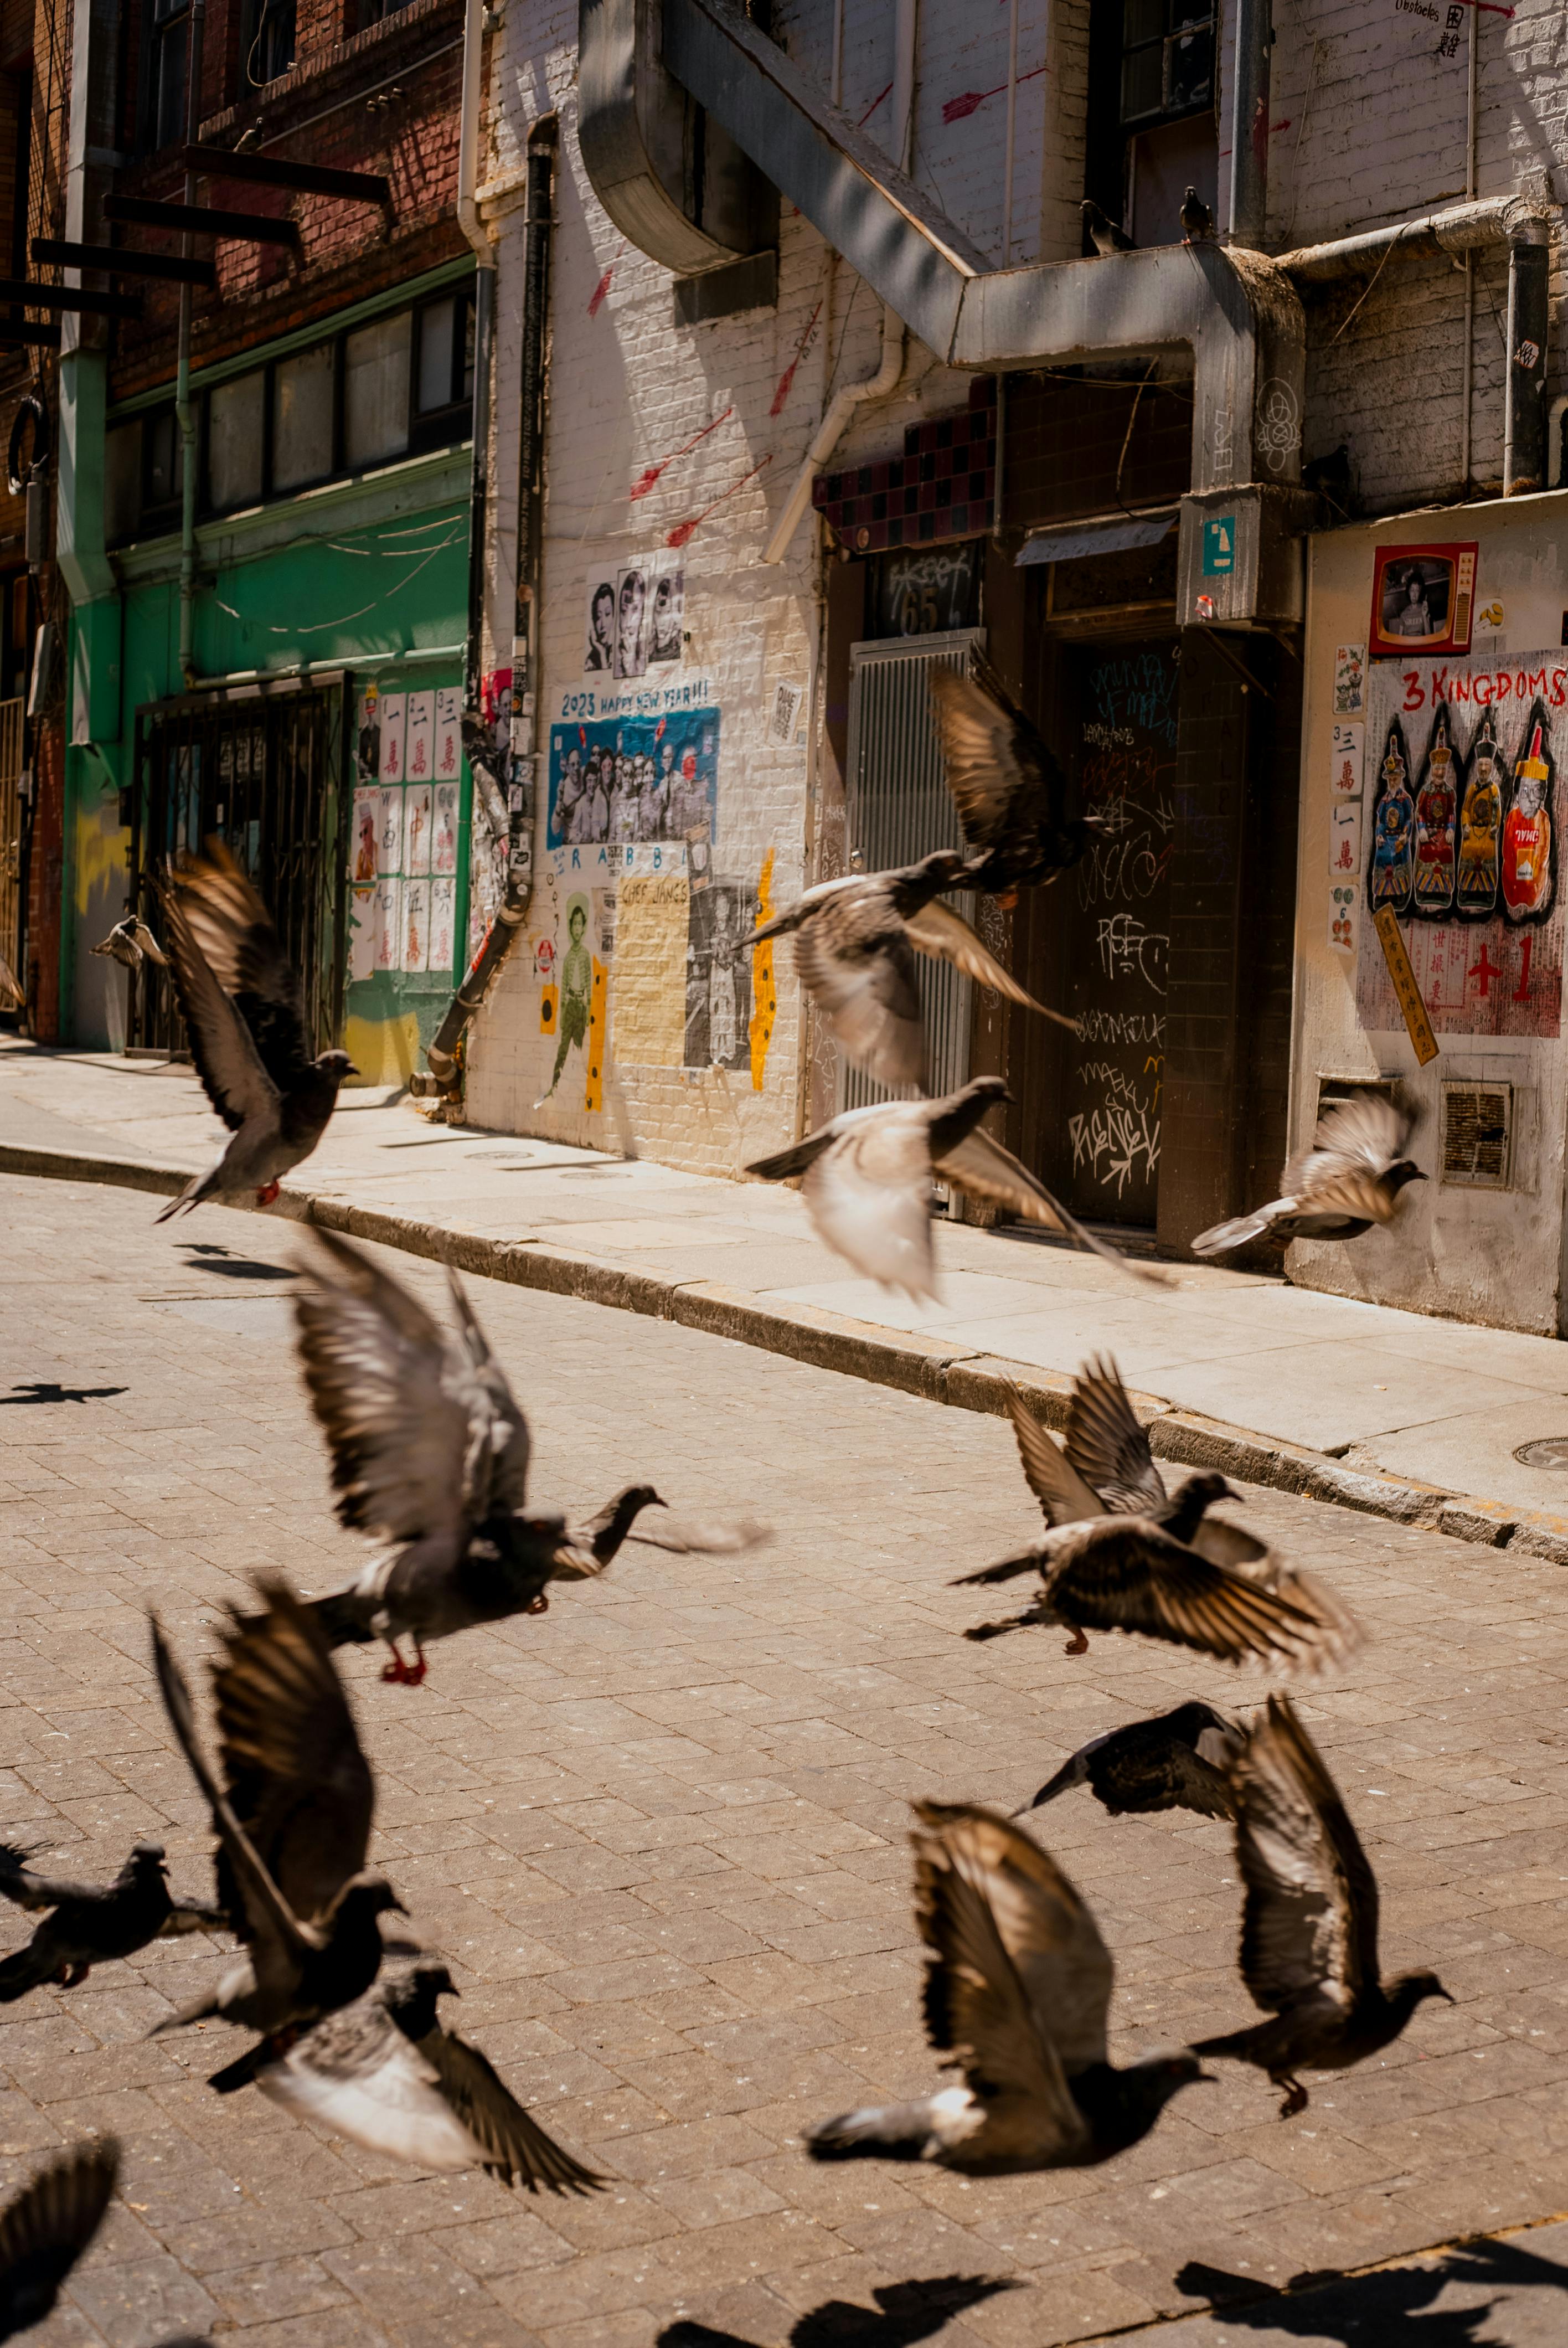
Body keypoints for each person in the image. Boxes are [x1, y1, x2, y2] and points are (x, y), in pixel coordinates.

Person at [540, 899, 591, 1099]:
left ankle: (583, 1087)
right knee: (563, 1048)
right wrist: (562, 1013)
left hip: (581, 1006)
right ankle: (554, 1084)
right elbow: (563, 989)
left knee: (581, 1047)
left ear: (584, 926)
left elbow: (589, 986)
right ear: (570, 927)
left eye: (580, 924)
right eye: (574, 924)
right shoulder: (569, 957)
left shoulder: (586, 956)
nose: (577, 928)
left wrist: (587, 1011)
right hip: (570, 1006)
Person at [708, 893, 739, 1065]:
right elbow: (710, 952)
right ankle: (717, 1048)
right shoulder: (713, 930)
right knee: (716, 1008)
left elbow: (733, 952)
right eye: (719, 907)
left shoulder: (732, 930)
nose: (722, 910)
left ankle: (728, 1048)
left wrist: (725, 954)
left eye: (724, 906)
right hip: (716, 972)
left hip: (727, 973)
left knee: (727, 1007)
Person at [616, 571, 647, 679]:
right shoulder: (613, 659)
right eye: (624, 611)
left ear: (643, 612)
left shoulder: (646, 657)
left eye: (635, 609)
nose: (628, 622)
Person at [649, 571, 683, 664]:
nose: (662, 621)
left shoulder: (677, 653)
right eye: (658, 612)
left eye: (668, 613)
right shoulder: (649, 654)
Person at [585, 582, 616, 672]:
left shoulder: (618, 654)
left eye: (608, 614)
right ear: (594, 621)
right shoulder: (590, 663)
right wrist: (602, 653)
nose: (603, 625)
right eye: (598, 617)